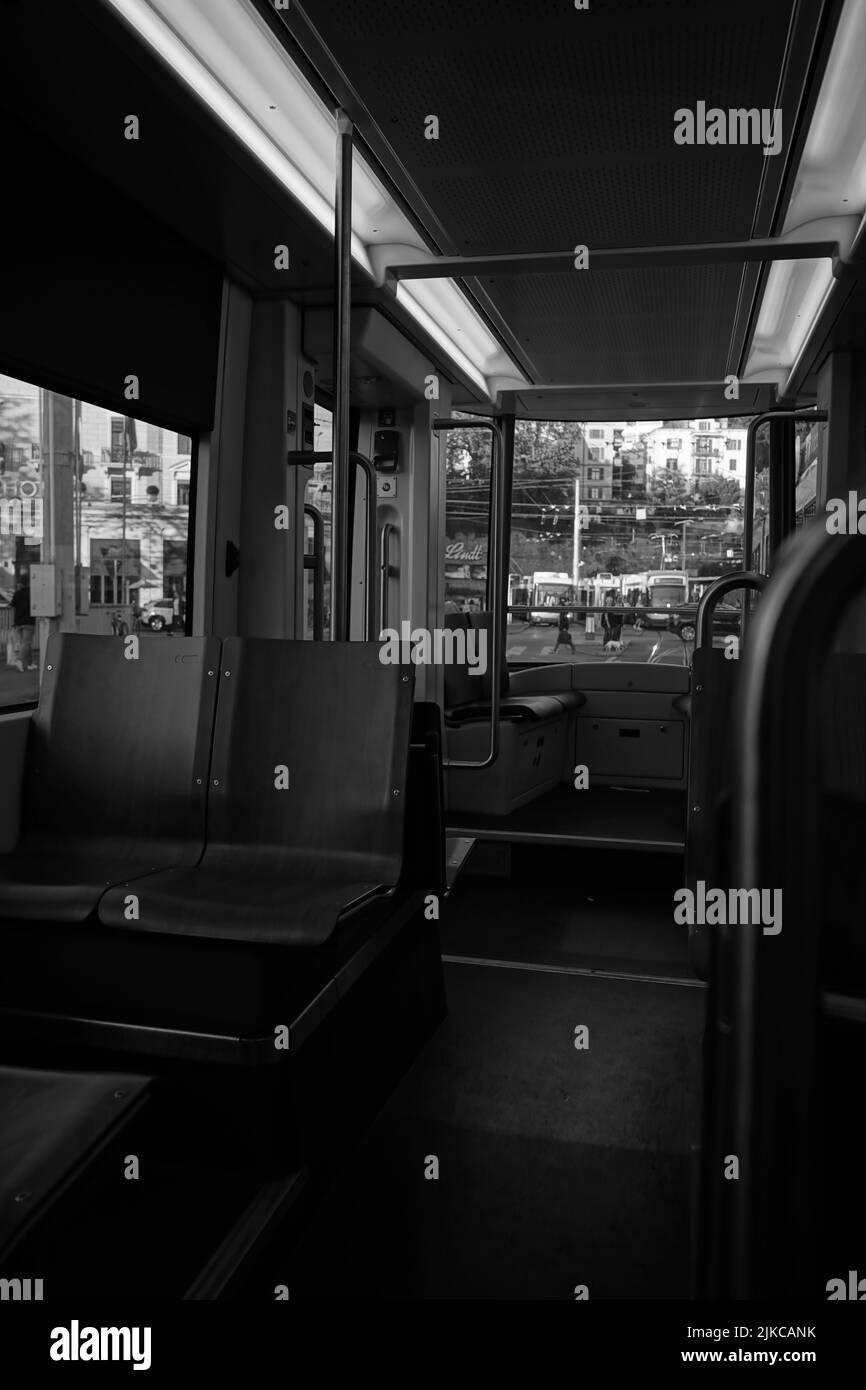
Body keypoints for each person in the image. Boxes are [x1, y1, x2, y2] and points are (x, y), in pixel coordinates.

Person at [11, 574, 36, 672]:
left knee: (25, 643)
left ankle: (30, 664)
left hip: (18, 622)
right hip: (29, 622)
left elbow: (13, 605)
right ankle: (19, 661)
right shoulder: (32, 593)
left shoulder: (17, 593)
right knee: (26, 643)